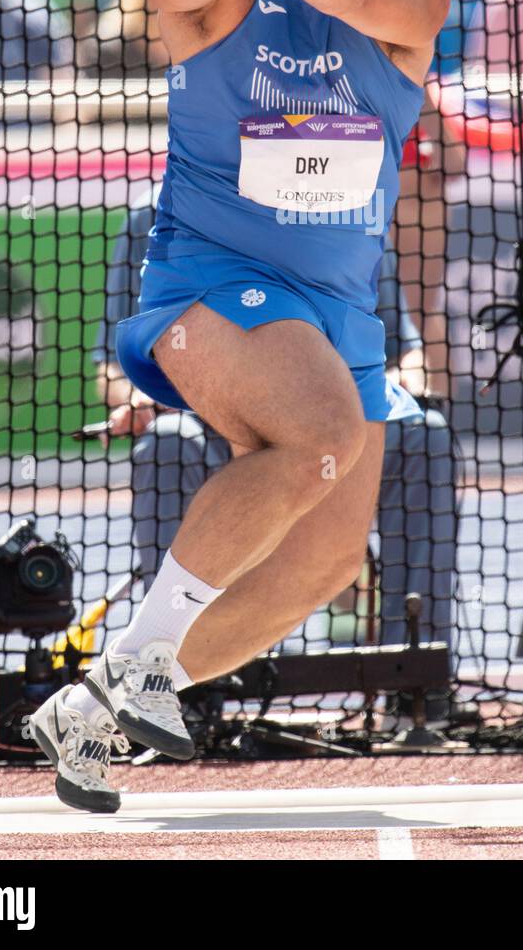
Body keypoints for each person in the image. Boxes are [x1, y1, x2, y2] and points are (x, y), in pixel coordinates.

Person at [29, 0, 450, 811]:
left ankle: (98, 698)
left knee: (316, 563)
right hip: (211, 284)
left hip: (343, 308)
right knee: (314, 438)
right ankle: (137, 670)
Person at [92, 185, 457, 666]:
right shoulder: (156, 212)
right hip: (216, 422)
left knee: (424, 434)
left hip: (341, 425)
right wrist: (141, 398)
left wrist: (409, 383)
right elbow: (110, 369)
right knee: (167, 444)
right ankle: (176, 681)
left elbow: (403, 348)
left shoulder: (346, 201)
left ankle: (412, 675)